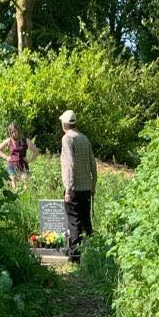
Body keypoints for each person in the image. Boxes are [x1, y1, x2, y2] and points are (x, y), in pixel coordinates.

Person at [59, 109, 97, 262]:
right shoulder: (84, 138)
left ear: (64, 124)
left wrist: (68, 188)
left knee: (74, 222)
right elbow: (92, 163)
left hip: (74, 189)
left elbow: (70, 164)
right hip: (86, 187)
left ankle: (75, 257)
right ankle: (93, 254)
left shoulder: (67, 139)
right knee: (86, 220)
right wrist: (93, 183)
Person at [0, 122, 37, 191]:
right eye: (12, 132)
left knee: (25, 182)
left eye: (15, 131)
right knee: (13, 181)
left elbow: (36, 151)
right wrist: (6, 157)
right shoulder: (9, 140)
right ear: (10, 133)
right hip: (11, 164)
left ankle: (25, 198)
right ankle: (15, 198)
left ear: (18, 130)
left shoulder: (25, 140)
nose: (14, 133)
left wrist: (29, 160)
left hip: (22, 164)